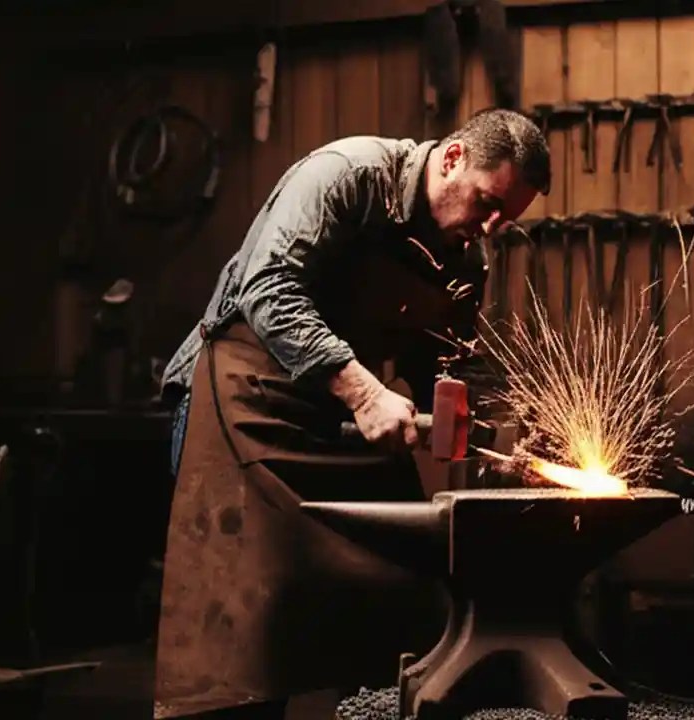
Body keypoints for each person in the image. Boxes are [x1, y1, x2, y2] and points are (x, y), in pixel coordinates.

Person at [152, 109, 551, 719]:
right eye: (487, 203)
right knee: (244, 631)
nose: (491, 227)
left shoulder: (467, 259)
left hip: (339, 428)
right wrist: (366, 394)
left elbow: (442, 372)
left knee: (406, 603)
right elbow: (269, 288)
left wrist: (477, 425)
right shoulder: (347, 174)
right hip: (247, 405)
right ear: (451, 160)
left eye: (508, 218)